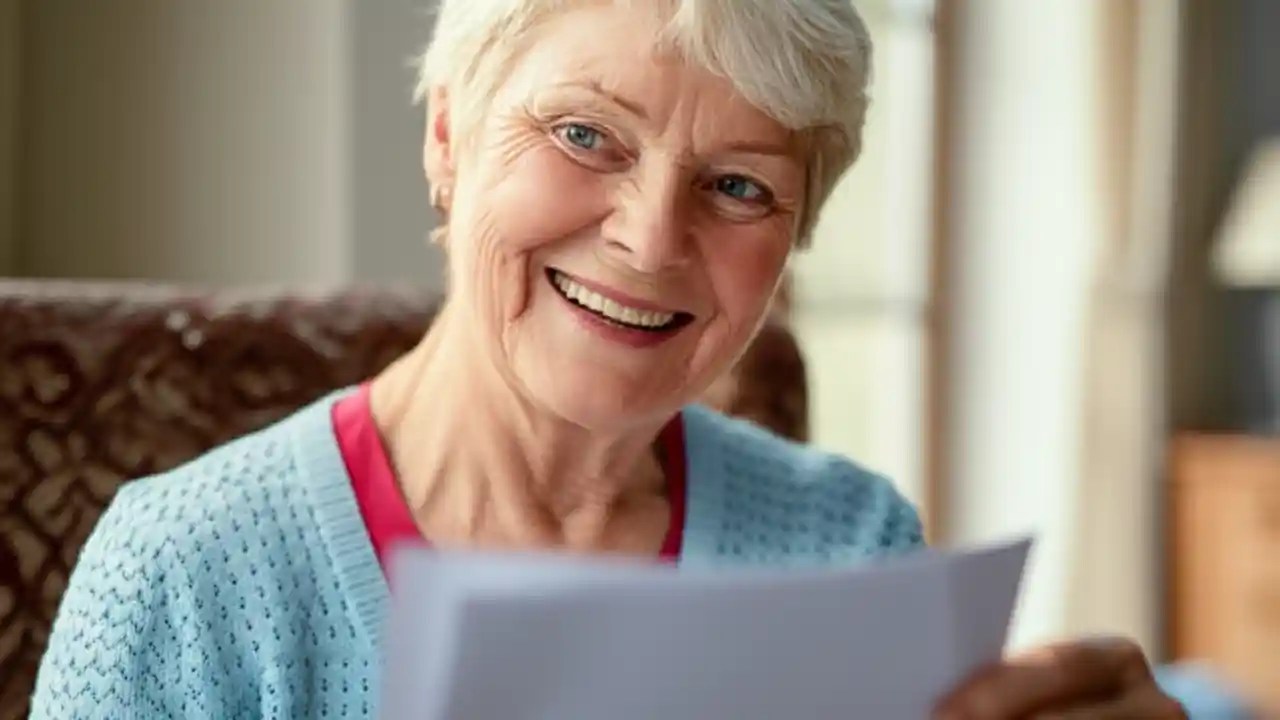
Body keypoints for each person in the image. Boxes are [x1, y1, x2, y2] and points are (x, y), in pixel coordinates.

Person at [30, 1, 1187, 717]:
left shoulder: (848, 544)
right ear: (447, 139)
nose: (648, 239)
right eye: (583, 134)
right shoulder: (180, 572)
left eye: (738, 186)